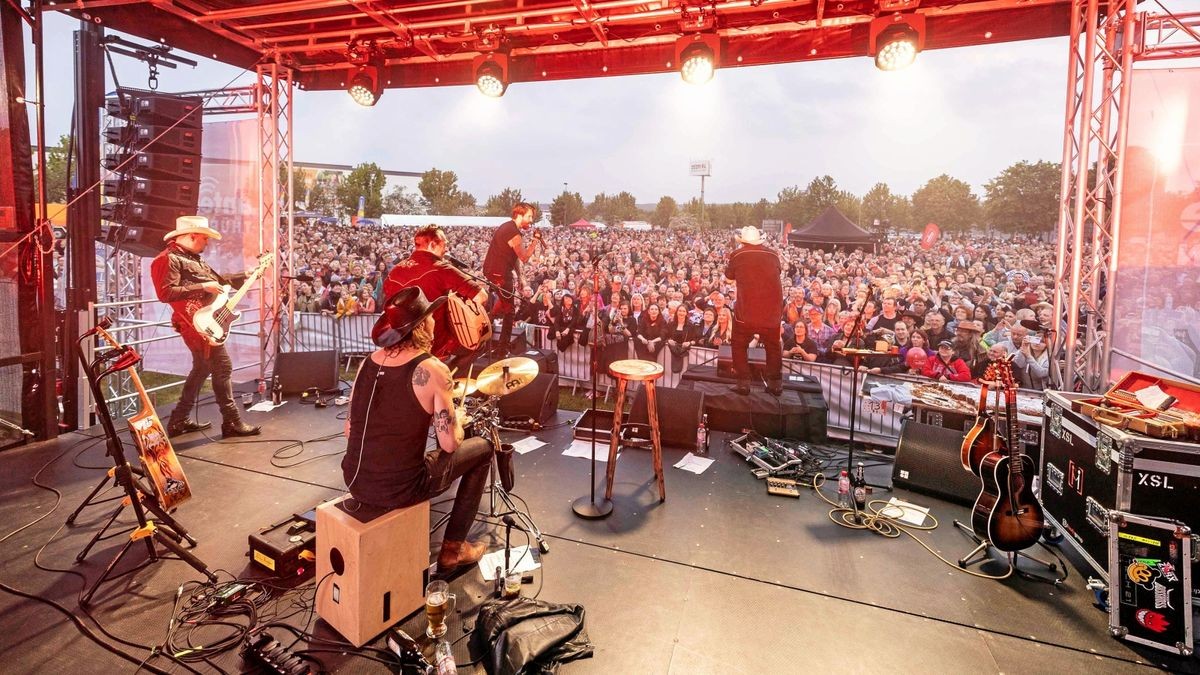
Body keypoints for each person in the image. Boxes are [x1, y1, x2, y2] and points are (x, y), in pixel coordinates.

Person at [342, 287, 496, 572]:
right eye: (430, 316)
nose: (436, 321)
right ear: (422, 325)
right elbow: (449, 444)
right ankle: (454, 548)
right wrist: (457, 420)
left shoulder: (366, 363)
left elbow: (349, 430)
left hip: (354, 478)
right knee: (484, 449)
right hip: (401, 488)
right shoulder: (433, 370)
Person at [151, 216, 261, 439]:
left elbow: (219, 283)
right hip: (195, 325)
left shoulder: (193, 259)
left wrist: (246, 275)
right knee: (222, 367)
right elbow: (165, 293)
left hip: (204, 321)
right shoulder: (167, 259)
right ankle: (231, 422)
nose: (207, 243)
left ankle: (178, 421)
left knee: (201, 369)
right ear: (192, 236)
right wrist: (203, 285)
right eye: (204, 238)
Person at [384, 224, 488, 370]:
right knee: (478, 344)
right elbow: (481, 296)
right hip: (436, 344)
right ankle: (449, 380)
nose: (446, 250)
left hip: (400, 345)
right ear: (433, 244)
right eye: (444, 245)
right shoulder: (442, 268)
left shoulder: (393, 272)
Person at [725, 226, 784, 395]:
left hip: (747, 312)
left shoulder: (737, 254)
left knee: (738, 343)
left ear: (743, 241)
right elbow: (777, 274)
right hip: (771, 312)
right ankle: (776, 384)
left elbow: (728, 279)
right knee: (773, 347)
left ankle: (743, 383)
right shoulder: (773, 255)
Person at [482, 203, 540, 357]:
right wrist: (535, 241)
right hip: (500, 274)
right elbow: (524, 257)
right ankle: (502, 349)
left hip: (493, 272)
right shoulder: (513, 232)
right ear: (520, 214)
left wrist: (520, 276)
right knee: (510, 311)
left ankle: (486, 327)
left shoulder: (506, 227)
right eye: (529, 217)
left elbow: (513, 257)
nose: (530, 221)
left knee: (502, 302)